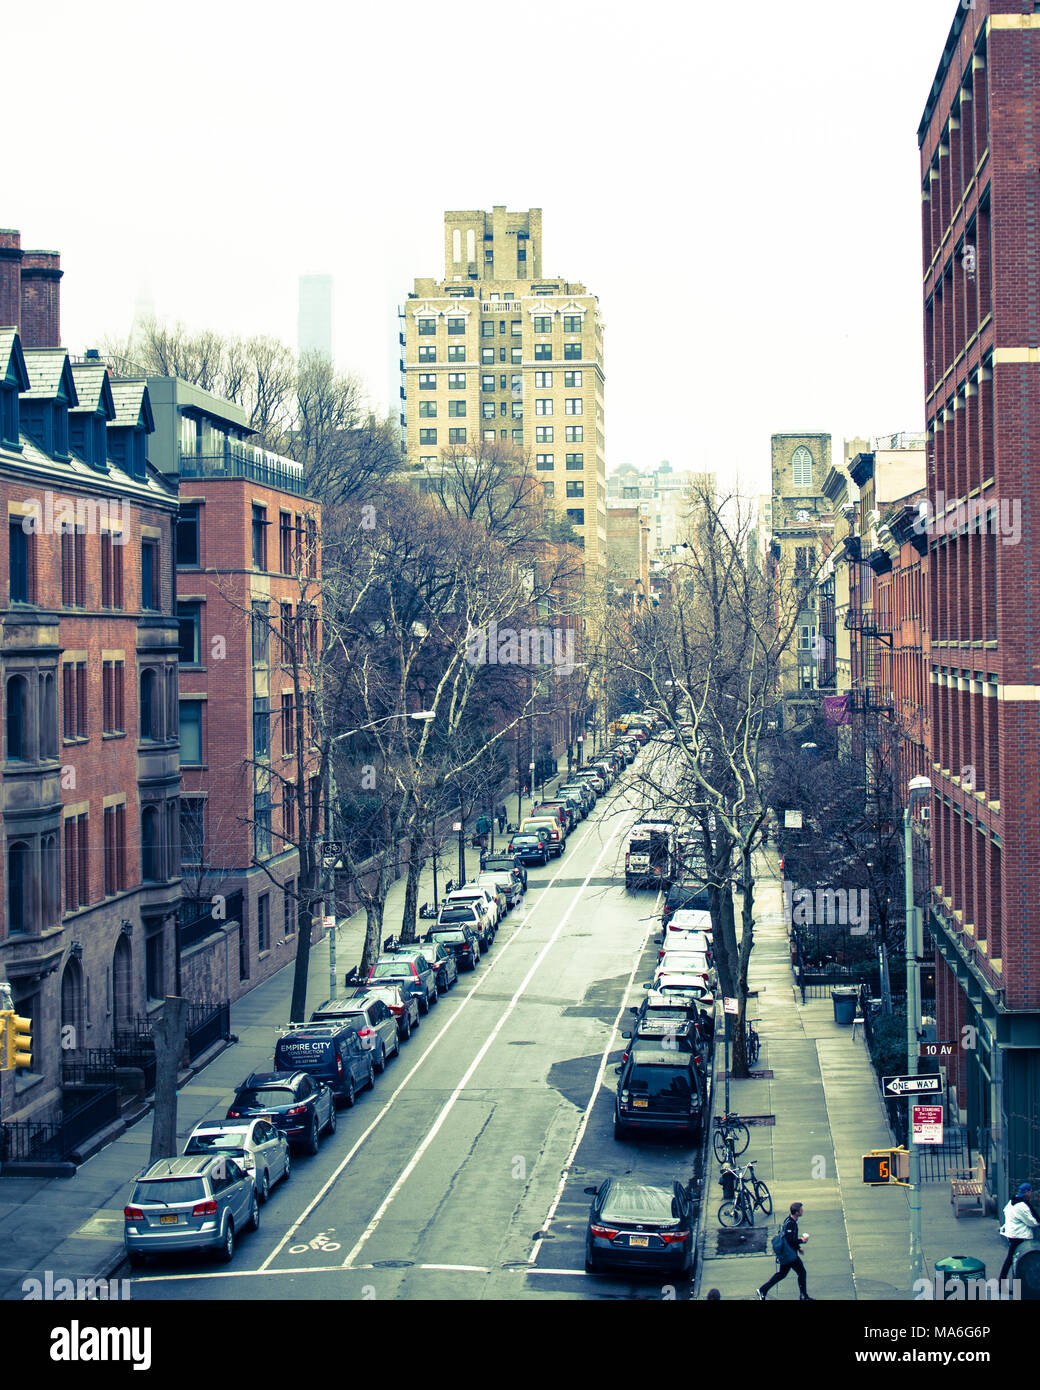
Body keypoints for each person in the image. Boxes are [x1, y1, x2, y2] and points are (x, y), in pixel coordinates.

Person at [757, 1202, 814, 1300]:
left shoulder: (788, 1220)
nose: (802, 1211)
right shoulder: (791, 1224)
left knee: (782, 1274)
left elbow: (790, 1239)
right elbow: (790, 1240)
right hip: (789, 1254)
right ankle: (804, 1296)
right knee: (801, 1272)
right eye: (801, 1210)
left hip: (788, 1253)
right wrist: (802, 1240)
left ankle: (763, 1290)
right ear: (796, 1212)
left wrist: (798, 1247)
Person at [998, 1183, 1039, 1281]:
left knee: (1011, 1259)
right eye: (1030, 1191)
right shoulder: (1021, 1206)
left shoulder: (1011, 1202)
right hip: (1020, 1236)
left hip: (1012, 1234)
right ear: (1027, 1192)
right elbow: (1032, 1222)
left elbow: (1005, 1211)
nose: (1031, 1194)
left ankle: (1002, 1282)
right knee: (1017, 1260)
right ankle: (1007, 1282)